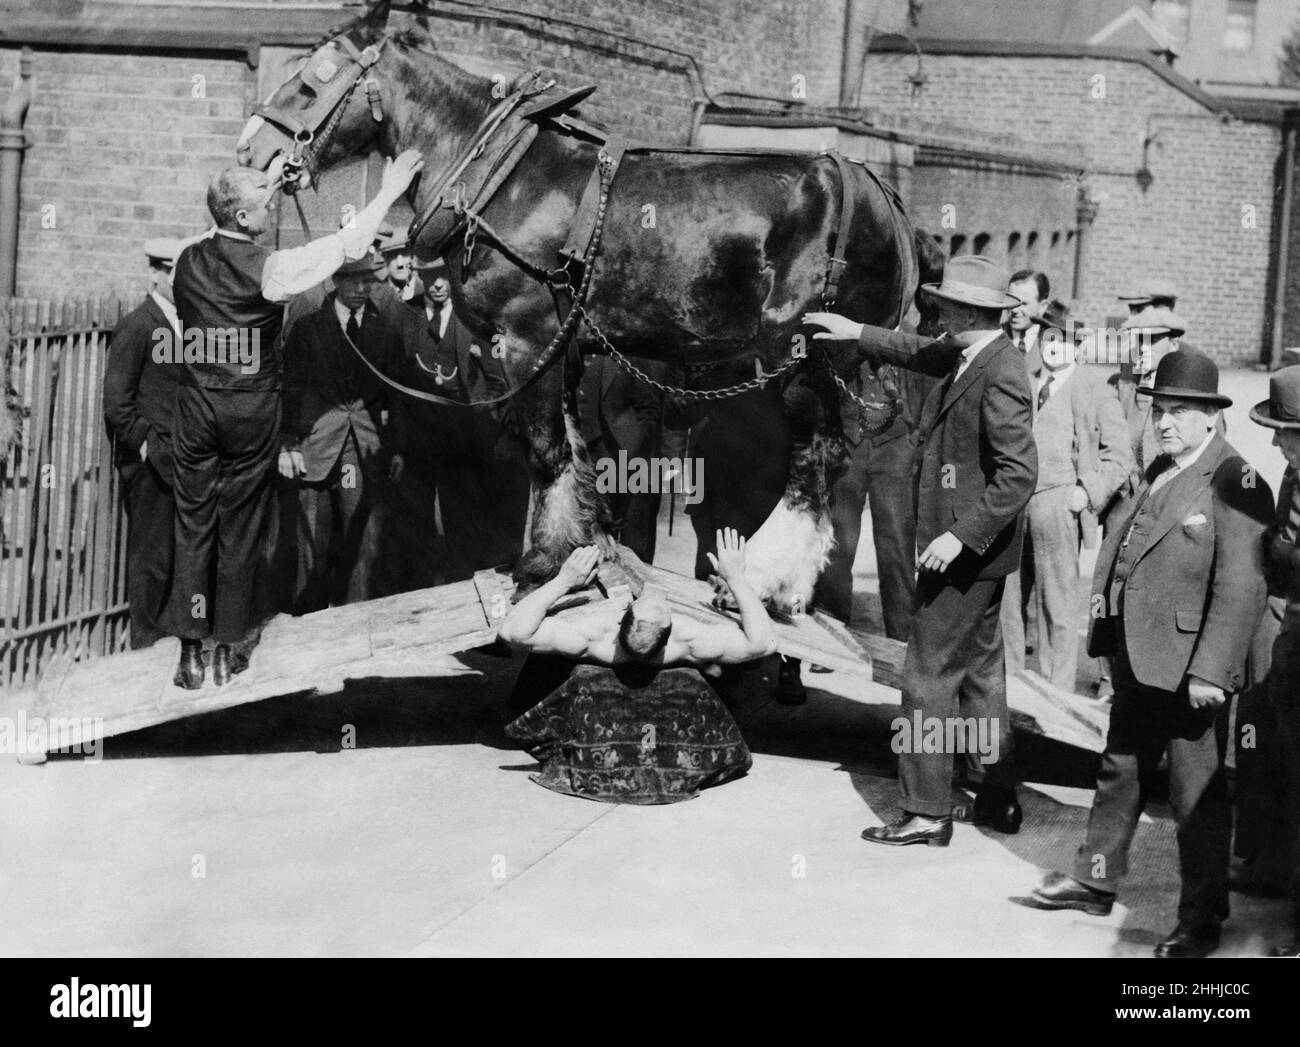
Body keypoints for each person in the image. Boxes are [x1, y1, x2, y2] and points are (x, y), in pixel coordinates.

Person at [1020, 347, 1273, 959]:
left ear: (1211, 417)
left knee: (1197, 799)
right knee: (1120, 772)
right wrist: (1106, 640)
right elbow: (1123, 556)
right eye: (1160, 408)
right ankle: (1094, 877)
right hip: (1139, 661)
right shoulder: (1160, 466)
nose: (1165, 421)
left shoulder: (1235, 480)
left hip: (1192, 672)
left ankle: (1202, 919)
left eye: (1181, 411)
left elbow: (1242, 586)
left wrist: (1211, 671)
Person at [163, 149, 424, 689]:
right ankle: (226, 647)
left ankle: (189, 651)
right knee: (239, 530)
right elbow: (347, 247)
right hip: (249, 411)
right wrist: (389, 190)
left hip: (195, 408)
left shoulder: (187, 260)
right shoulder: (272, 270)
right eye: (263, 206)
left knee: (193, 526)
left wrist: (271, 184)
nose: (269, 212)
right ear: (243, 217)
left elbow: (224, 229)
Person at [805, 254, 1036, 845]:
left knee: (927, 677)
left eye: (945, 303)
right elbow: (912, 350)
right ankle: (995, 791)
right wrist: (855, 332)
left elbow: (1018, 475)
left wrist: (960, 536)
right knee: (983, 674)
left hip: (961, 553)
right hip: (981, 559)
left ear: (967, 310)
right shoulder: (970, 354)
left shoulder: (1000, 370)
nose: (937, 310)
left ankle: (928, 810)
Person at [498, 530, 775, 803]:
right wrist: (736, 579)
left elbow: (514, 632)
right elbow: (762, 643)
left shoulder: (595, 637)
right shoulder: (688, 642)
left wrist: (564, 580)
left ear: (622, 620)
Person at [388, 257, 529, 585]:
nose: (437, 285)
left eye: (443, 277)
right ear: (418, 275)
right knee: (415, 518)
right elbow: (393, 385)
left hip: (464, 441)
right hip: (417, 440)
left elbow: (498, 384)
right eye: (429, 277)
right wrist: (398, 441)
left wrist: (482, 428)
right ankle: (417, 592)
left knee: (461, 521)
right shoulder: (404, 315)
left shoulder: (478, 319)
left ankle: (460, 586)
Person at [1015, 301, 1131, 691]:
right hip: (1014, 501)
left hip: (1059, 502)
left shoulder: (1094, 390)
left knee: (1057, 605)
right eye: (1049, 338)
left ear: (1079, 347)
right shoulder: (1025, 379)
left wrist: (1085, 492)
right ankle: (1008, 683)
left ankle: (1054, 692)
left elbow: (1120, 456)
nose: (1055, 347)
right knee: (1007, 600)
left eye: (1065, 340)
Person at [279, 251, 404, 612]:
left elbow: (396, 397)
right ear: (335, 282)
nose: (362, 289)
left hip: (361, 452)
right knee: (312, 544)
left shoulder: (384, 333)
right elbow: (291, 389)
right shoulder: (307, 329)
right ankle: (308, 620)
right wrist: (288, 445)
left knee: (359, 540)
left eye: (368, 281)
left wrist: (397, 448)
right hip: (315, 449)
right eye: (353, 281)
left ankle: (352, 619)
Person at [102, 237, 183, 648]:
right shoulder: (137, 326)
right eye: (171, 271)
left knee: (181, 555)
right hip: (151, 466)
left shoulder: (190, 325)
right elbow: (117, 404)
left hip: (188, 461)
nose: (181, 280)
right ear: (154, 273)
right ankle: (145, 643)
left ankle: (170, 638)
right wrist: (151, 448)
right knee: (151, 558)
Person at [1245, 366, 1300, 955]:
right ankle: (1273, 868)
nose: (1276, 441)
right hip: (1288, 633)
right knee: (1273, 751)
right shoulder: (1294, 472)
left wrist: (1274, 547)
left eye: (1286, 431)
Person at [578, 352, 663, 564]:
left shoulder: (630, 355)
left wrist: (631, 453)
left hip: (628, 459)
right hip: (586, 458)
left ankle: (639, 593)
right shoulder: (571, 352)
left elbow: (649, 409)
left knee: (635, 540)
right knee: (590, 536)